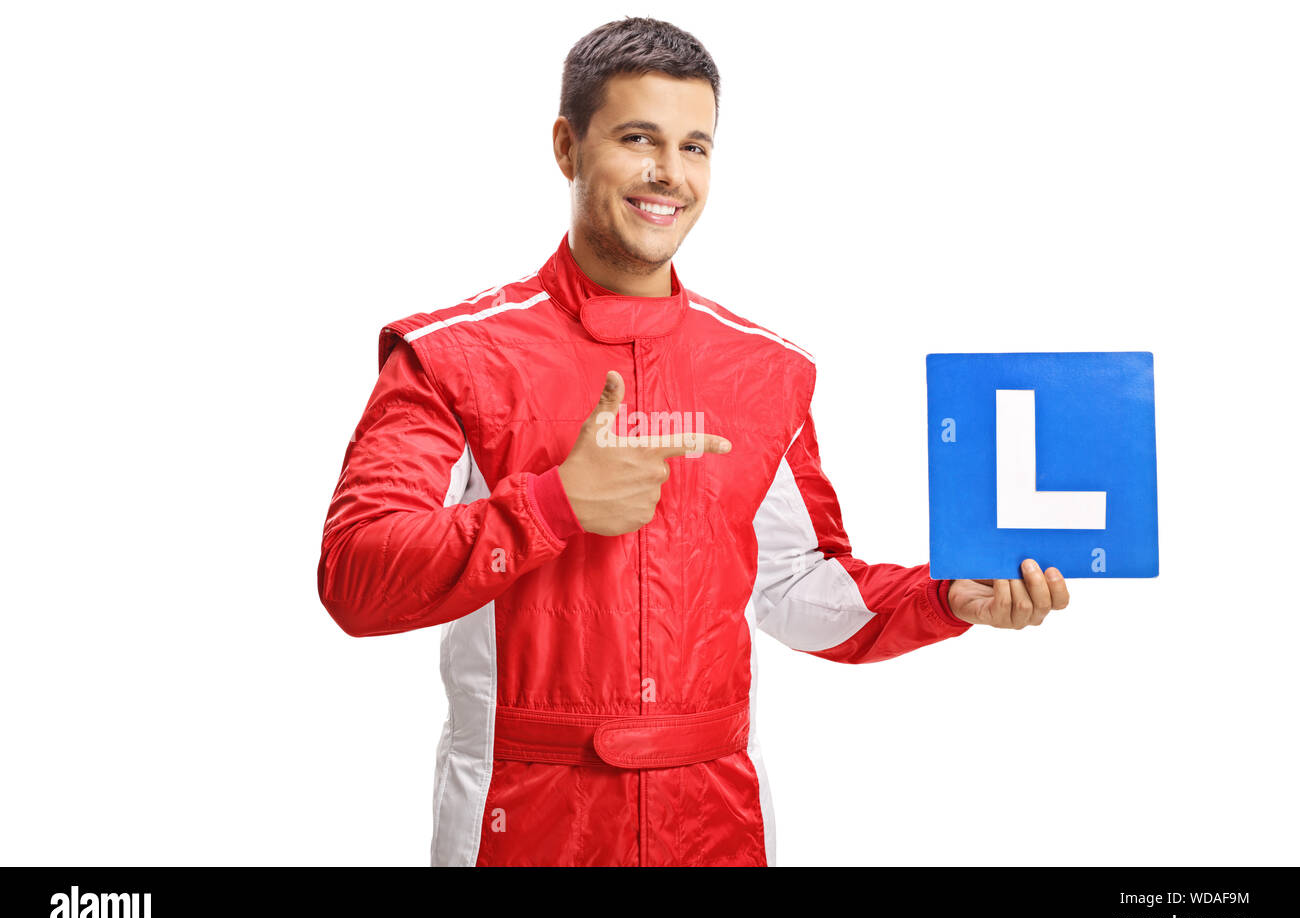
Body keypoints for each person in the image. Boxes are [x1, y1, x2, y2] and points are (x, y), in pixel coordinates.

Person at [317, 16, 1070, 867]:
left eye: (695, 146)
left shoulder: (767, 370)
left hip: (718, 823)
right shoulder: (453, 356)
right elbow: (355, 579)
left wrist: (943, 596)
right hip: (522, 820)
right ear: (567, 147)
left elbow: (797, 589)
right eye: (638, 139)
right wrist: (552, 505)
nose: (668, 175)